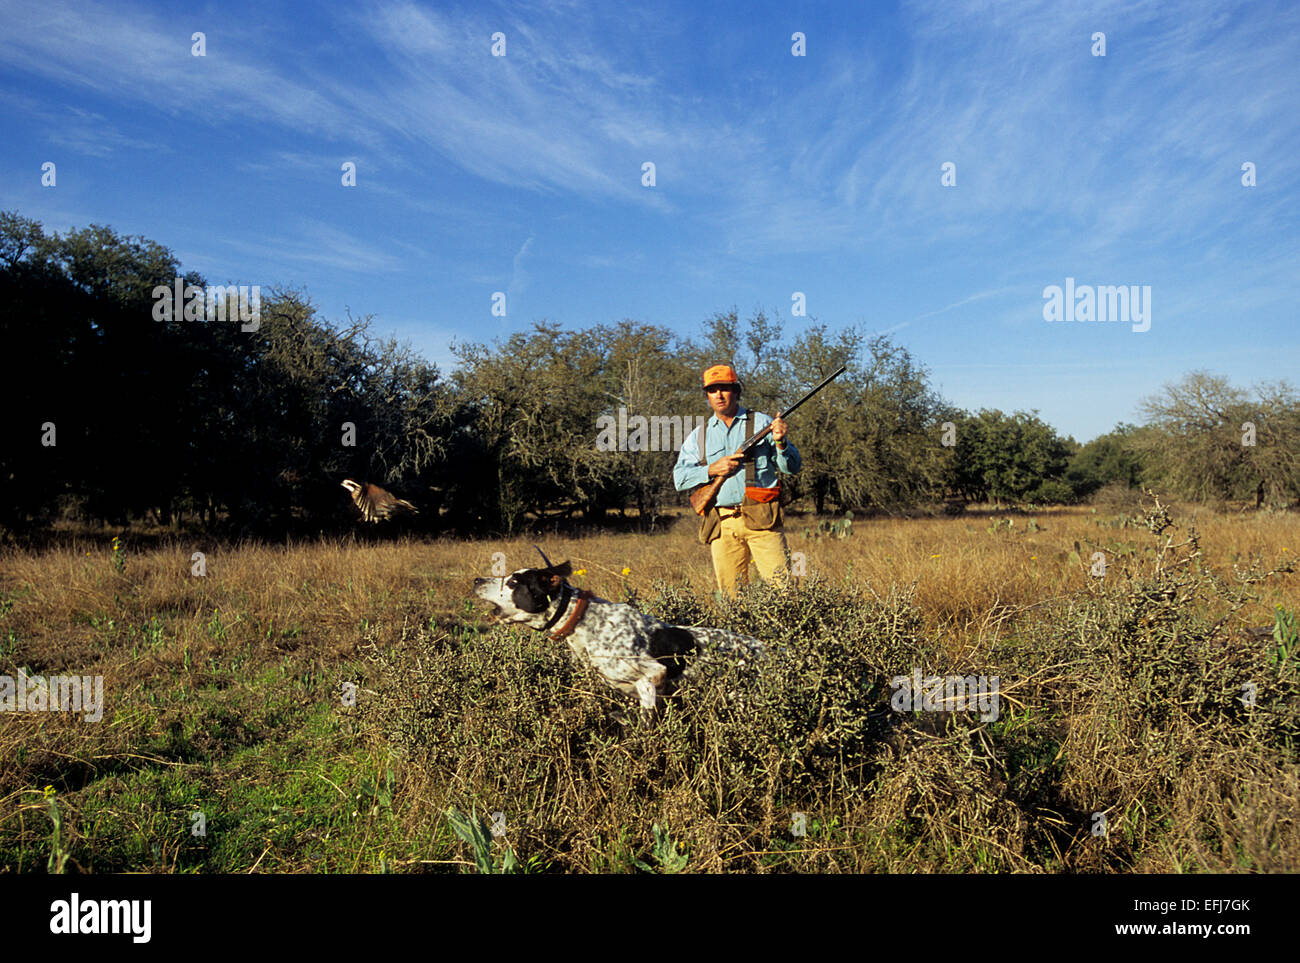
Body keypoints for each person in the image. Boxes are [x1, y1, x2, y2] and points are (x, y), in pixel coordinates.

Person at [673, 363, 801, 598]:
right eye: (713, 390)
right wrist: (711, 469)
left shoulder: (763, 423)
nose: (719, 395)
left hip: (763, 520)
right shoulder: (699, 435)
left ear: (736, 391)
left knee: (783, 593)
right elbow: (679, 478)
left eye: (725, 388)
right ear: (707, 396)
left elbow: (792, 467)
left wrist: (781, 442)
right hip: (723, 525)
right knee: (731, 599)